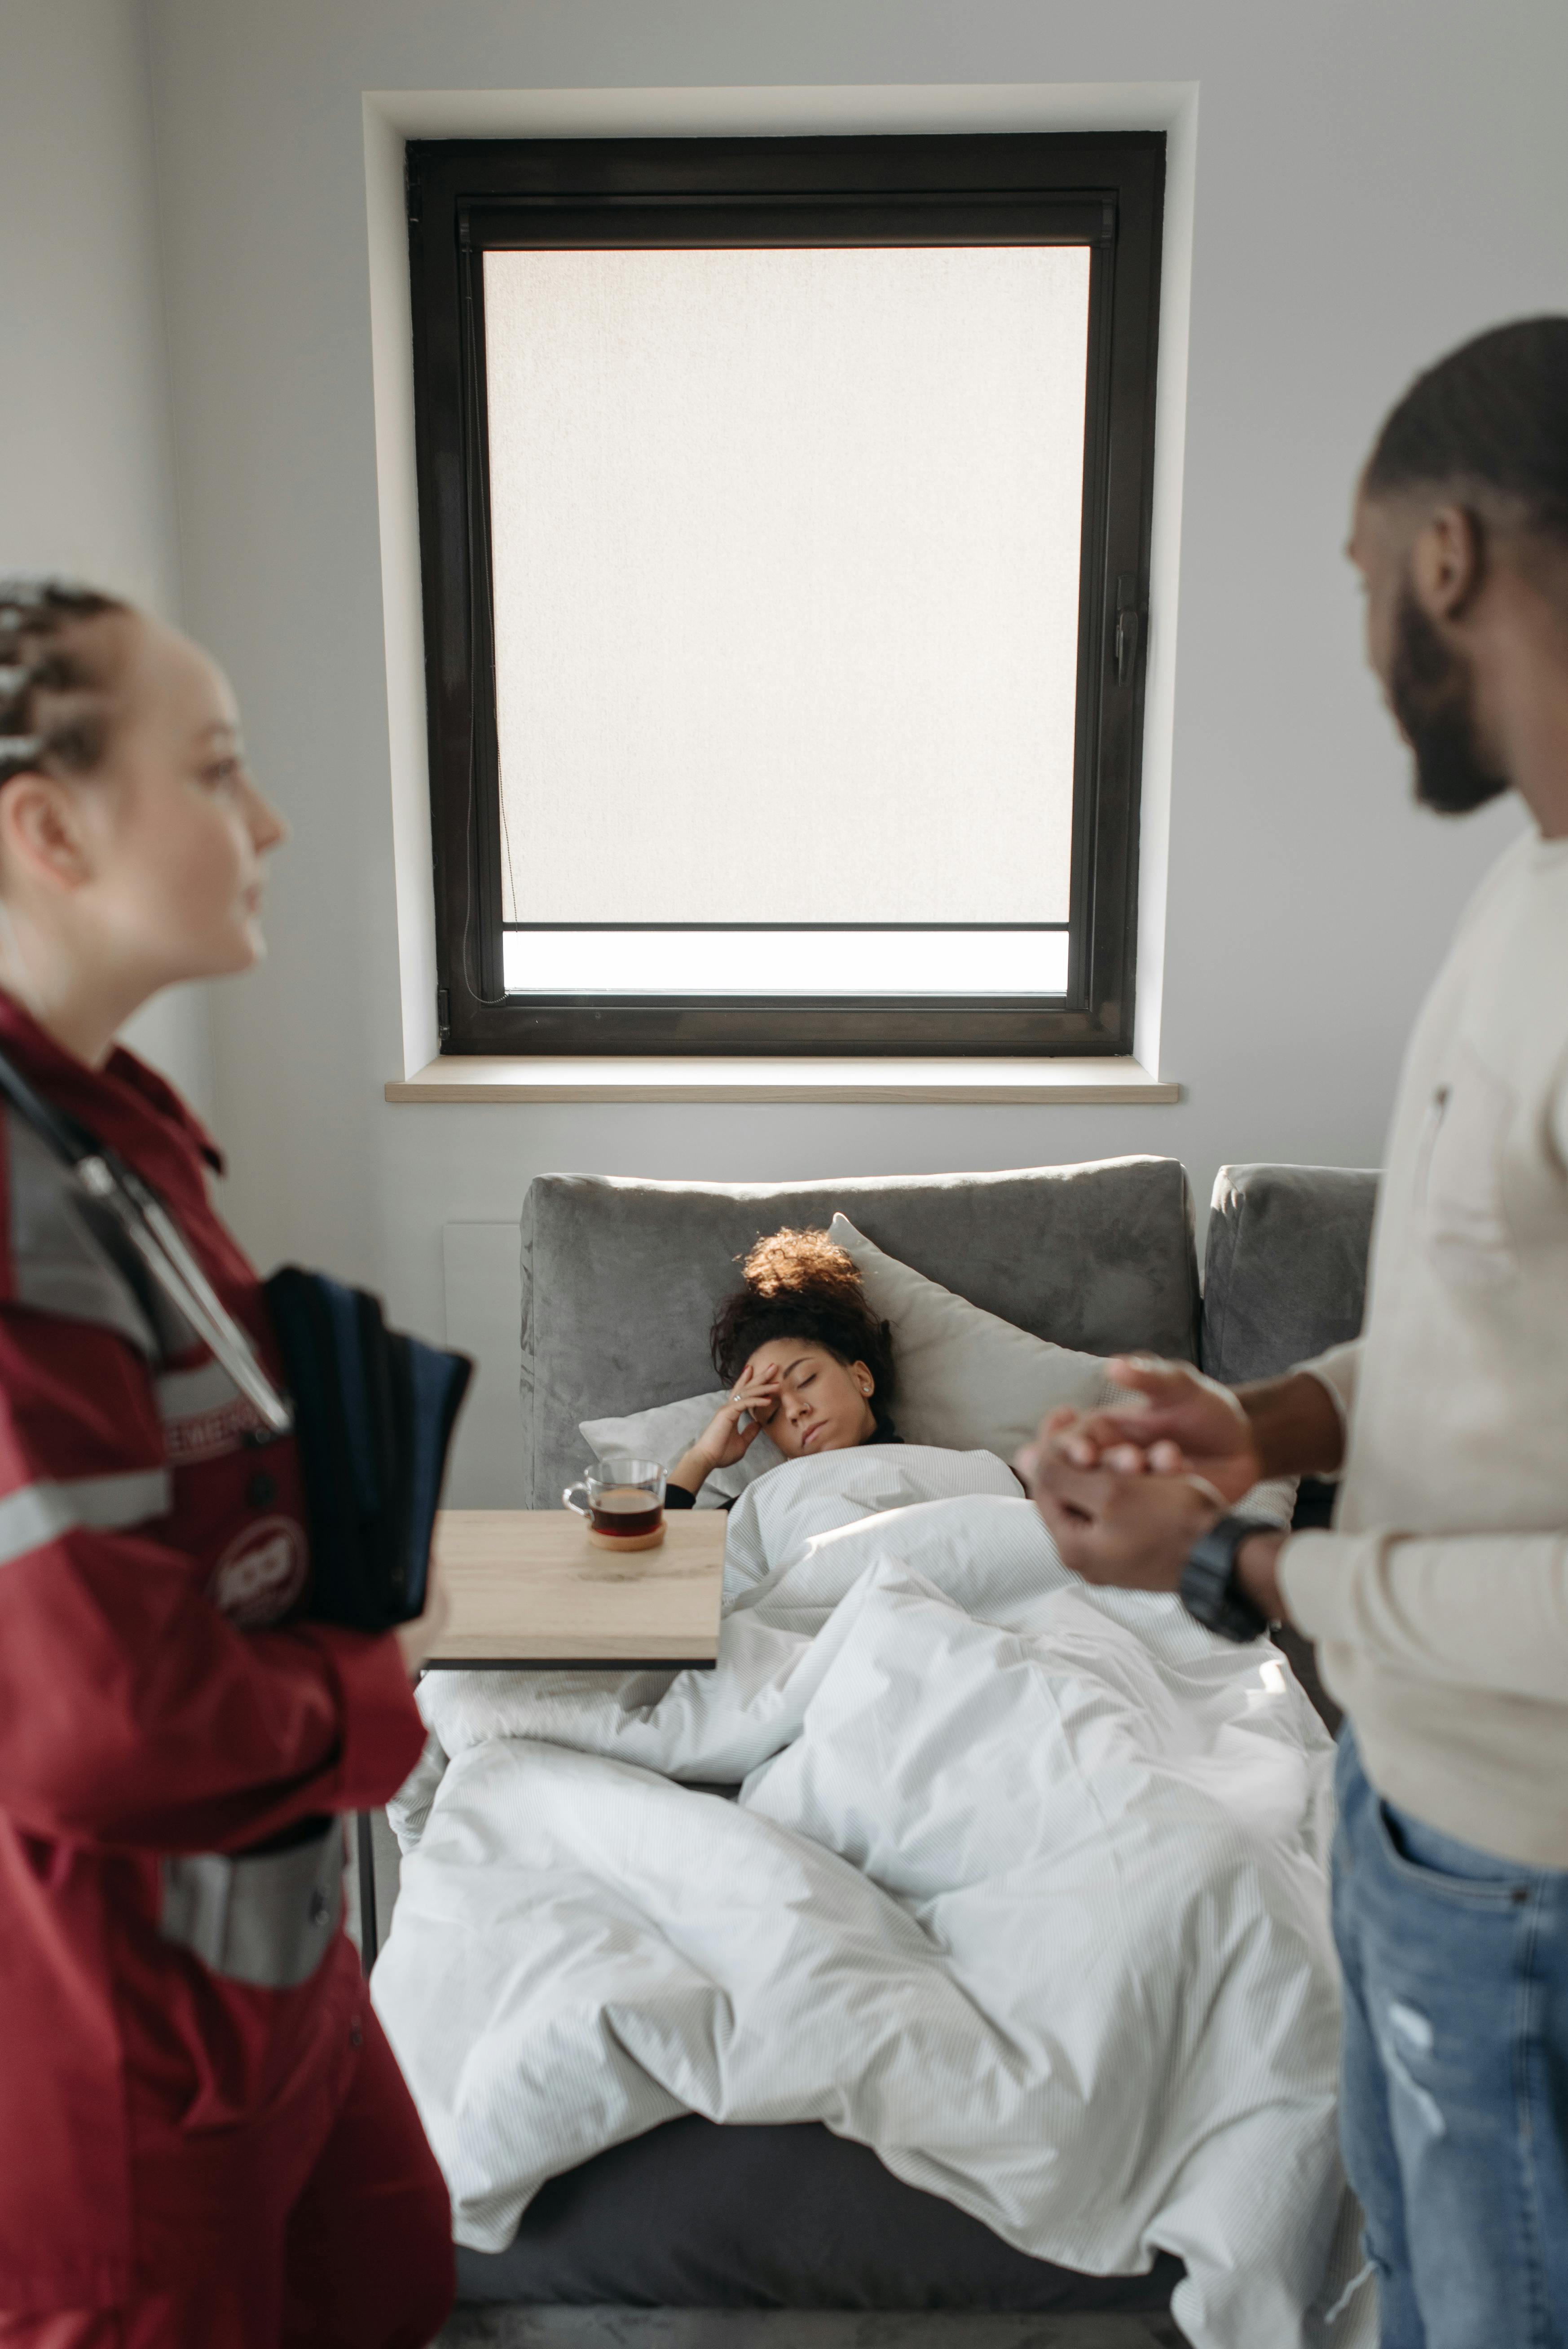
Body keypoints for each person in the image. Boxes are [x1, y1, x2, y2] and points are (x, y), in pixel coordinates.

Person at [1018, 318, 1568, 2348]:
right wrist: (1256, 1416)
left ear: (1442, 557)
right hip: (1417, 1830)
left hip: (1535, 1880)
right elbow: (1479, 1316)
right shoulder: (1525, 891)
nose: (1360, 645)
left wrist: (1235, 1567)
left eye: (1355, 582)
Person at [0, 582, 455, 2348]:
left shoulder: (113, 1126)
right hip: (120, 2055)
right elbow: (92, 1715)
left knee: (398, 2268)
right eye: (217, 771)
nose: (267, 820)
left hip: (271, 1971)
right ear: (48, 827)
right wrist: (374, 1687)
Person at [666, 1228, 901, 1505]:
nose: (794, 1411)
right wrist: (701, 1458)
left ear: (862, 1377)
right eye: (772, 1414)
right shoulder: (767, 1501)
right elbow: (654, 1546)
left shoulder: (944, 1470)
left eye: (805, 1380)